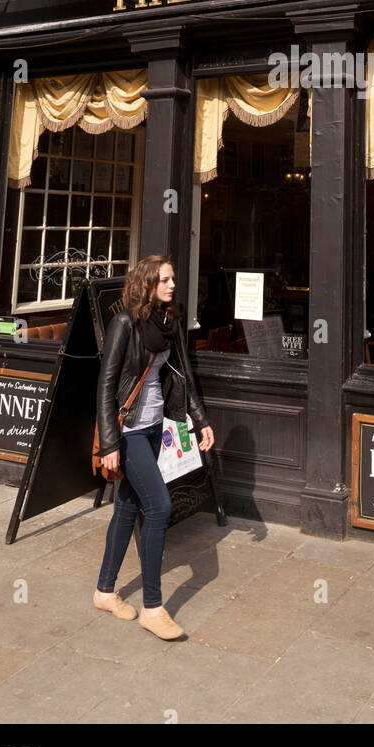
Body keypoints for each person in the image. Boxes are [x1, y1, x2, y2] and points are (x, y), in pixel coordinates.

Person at [93, 254, 214, 640]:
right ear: (147, 283)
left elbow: (185, 376)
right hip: (127, 431)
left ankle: (105, 591)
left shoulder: (169, 323)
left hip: (154, 427)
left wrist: (201, 420)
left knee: (128, 506)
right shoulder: (125, 324)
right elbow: (106, 386)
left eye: (173, 278)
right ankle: (153, 607)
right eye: (164, 279)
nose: (172, 284)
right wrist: (108, 444)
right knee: (159, 506)